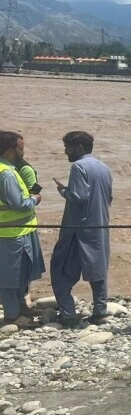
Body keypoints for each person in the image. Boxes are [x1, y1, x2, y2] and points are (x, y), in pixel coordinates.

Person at [51, 131, 113, 328]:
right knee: (98, 271)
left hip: (77, 229)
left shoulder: (78, 166)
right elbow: (108, 198)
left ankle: (68, 314)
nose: (66, 152)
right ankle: (100, 311)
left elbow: (78, 196)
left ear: (79, 147)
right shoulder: (104, 168)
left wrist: (63, 190)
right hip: (99, 226)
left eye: (67, 147)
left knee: (60, 270)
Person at [0, 131, 45, 328]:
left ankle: (20, 308)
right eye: (20, 147)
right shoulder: (7, 174)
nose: (23, 151)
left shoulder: (10, 169)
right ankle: (12, 315)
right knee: (10, 277)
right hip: (10, 234)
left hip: (20, 231)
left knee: (20, 275)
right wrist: (34, 199)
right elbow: (18, 203)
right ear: (10, 149)